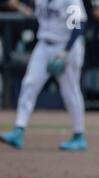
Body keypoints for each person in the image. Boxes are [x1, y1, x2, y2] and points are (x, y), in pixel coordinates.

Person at [0, 0, 88, 151]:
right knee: (29, 83)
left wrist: (65, 52)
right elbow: (40, 17)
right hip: (43, 45)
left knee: (70, 91)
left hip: (67, 46)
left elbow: (79, 25)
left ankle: (78, 135)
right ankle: (18, 130)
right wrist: (19, 7)